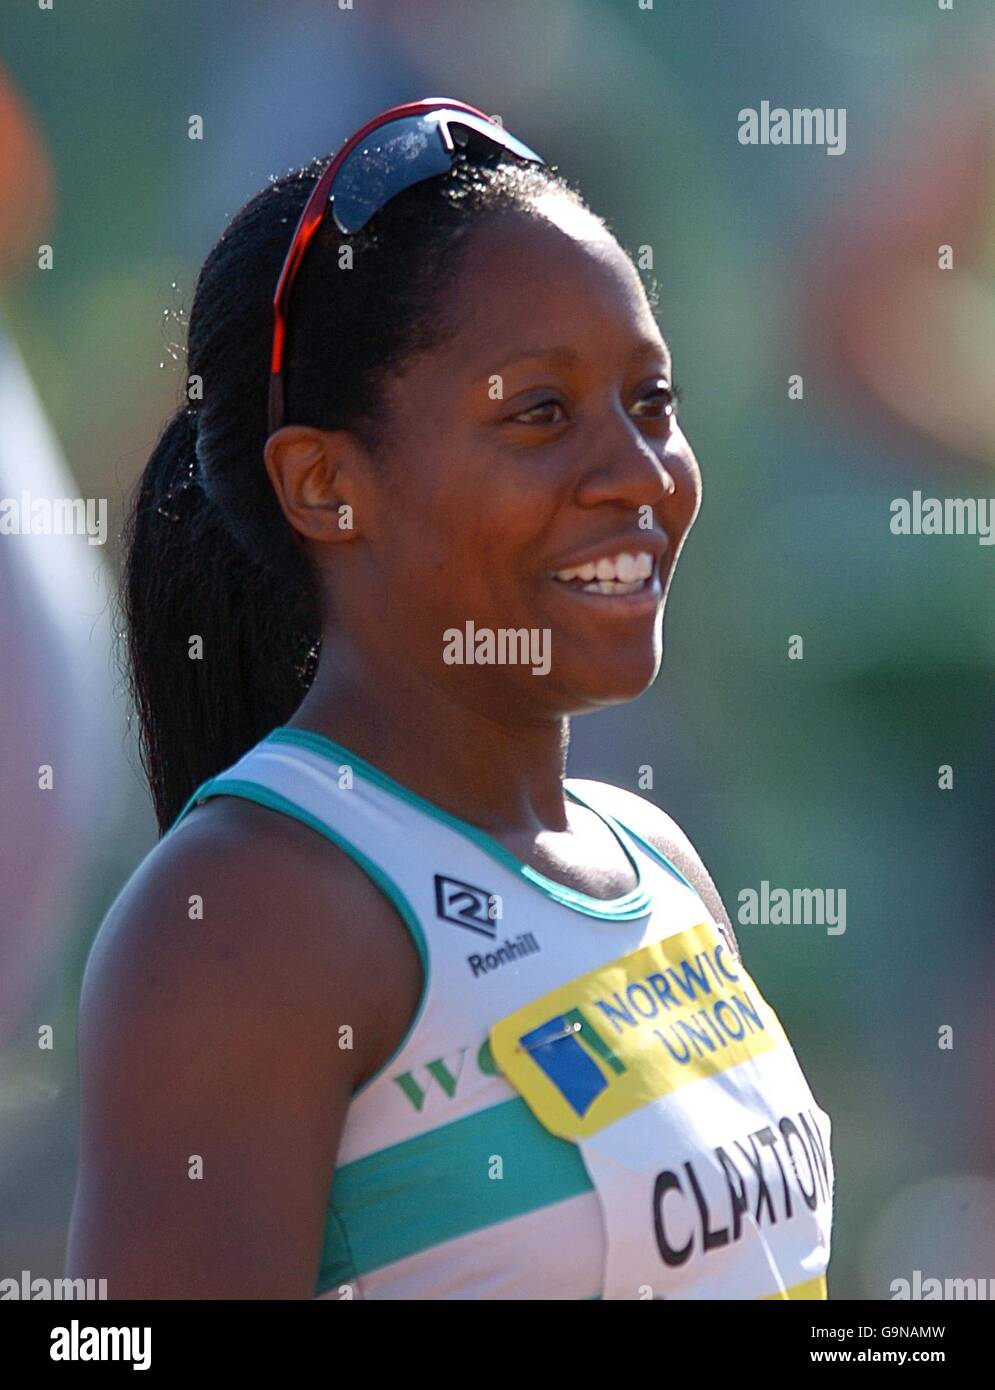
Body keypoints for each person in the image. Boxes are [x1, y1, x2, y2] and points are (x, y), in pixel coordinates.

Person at [66, 100, 834, 1300]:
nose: (637, 476)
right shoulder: (250, 918)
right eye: (538, 412)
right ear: (324, 485)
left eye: (651, 401)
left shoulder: (656, 859)